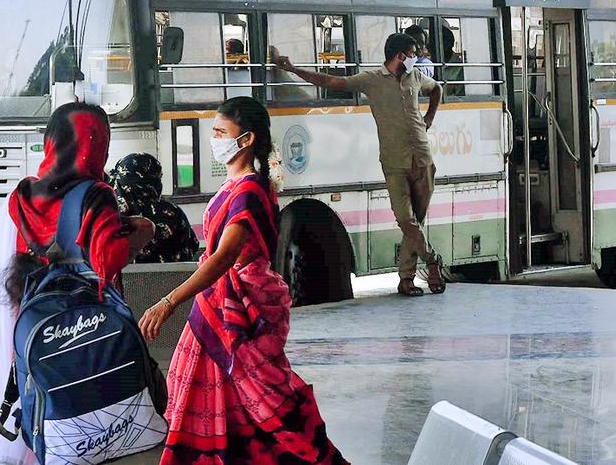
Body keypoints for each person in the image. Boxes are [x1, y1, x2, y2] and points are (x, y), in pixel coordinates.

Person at [138, 96, 347, 464]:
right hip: (222, 308)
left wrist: (167, 302)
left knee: (256, 400)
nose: (214, 138)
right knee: (239, 398)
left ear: (246, 139)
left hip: (235, 310)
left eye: (221, 132)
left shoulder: (248, 191)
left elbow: (223, 258)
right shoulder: (241, 185)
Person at [0, 102, 153, 463]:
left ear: (51, 142)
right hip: (84, 356)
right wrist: (140, 236)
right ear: (99, 146)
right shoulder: (96, 197)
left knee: (29, 439)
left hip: (26, 359)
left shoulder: (14, 204)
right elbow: (107, 261)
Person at [276, 33, 447, 296]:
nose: (417, 57)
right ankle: (433, 260)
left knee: (417, 222)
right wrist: (292, 69)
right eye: (413, 53)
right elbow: (331, 81)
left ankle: (406, 279)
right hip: (393, 161)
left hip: (423, 158)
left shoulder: (415, 77)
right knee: (406, 220)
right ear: (400, 55)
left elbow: (437, 89)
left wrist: (429, 118)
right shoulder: (371, 80)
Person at [108, 153, 202, 261]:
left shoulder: (105, 214)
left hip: (117, 278)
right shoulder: (171, 213)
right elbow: (191, 246)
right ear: (151, 181)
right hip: (173, 277)